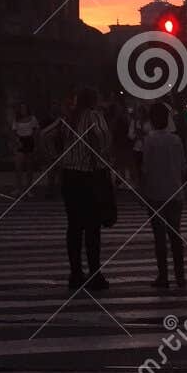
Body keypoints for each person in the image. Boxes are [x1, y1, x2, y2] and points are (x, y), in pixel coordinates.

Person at [58, 87, 111, 293]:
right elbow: (102, 136)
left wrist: (56, 158)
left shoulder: (69, 116)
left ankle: (75, 273)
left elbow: (45, 135)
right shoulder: (94, 115)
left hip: (69, 176)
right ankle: (95, 274)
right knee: (92, 228)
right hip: (88, 176)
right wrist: (100, 155)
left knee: (74, 227)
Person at [140, 102, 187, 289]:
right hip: (175, 193)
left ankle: (163, 276)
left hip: (156, 193)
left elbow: (146, 168)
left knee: (159, 237)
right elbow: (183, 168)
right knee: (175, 235)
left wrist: (142, 189)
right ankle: (180, 276)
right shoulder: (176, 140)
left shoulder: (149, 140)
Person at [12, 102, 40, 195]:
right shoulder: (16, 119)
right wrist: (17, 141)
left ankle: (29, 189)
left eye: (25, 108)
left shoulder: (33, 118)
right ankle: (18, 188)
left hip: (30, 141)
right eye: (21, 108)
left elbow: (36, 131)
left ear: (28, 109)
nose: (23, 110)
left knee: (29, 168)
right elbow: (14, 132)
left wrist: (35, 144)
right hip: (20, 141)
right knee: (18, 167)